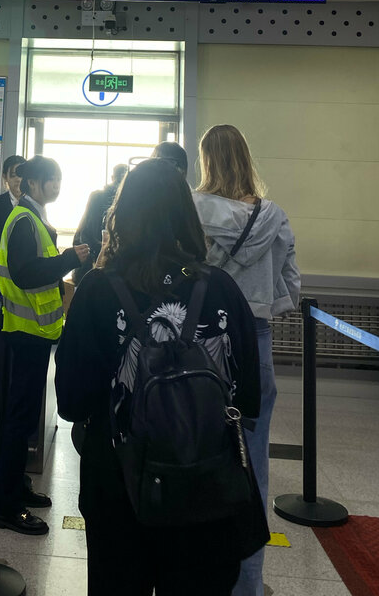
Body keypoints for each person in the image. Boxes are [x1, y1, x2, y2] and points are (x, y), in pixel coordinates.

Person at [55, 159, 261, 596]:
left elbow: (70, 400)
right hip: (208, 485)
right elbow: (250, 399)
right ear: (187, 217)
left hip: (118, 487)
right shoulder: (222, 288)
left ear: (122, 215)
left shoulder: (97, 289)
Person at [192, 124, 300, 596]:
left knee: (194, 449)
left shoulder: (192, 210)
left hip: (202, 340)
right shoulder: (274, 216)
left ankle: (197, 570)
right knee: (251, 459)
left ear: (207, 161)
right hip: (254, 339)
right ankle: (248, 584)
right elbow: (291, 285)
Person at [0, 155, 90, 535]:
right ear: (34, 184)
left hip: (36, 333)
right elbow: (25, 273)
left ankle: (16, 486)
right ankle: (6, 506)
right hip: (23, 332)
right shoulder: (23, 221)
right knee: (18, 419)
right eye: (53, 180)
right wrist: (68, 259)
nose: (57, 186)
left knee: (24, 415)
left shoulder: (34, 219)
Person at [72, 164, 127, 285]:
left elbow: (86, 231)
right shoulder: (126, 201)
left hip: (92, 263)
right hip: (109, 266)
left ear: (112, 177)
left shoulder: (97, 197)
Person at [0, 154, 26, 244]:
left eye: (21, 175)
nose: (18, 179)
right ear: (5, 177)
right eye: (13, 175)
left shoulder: (33, 202)